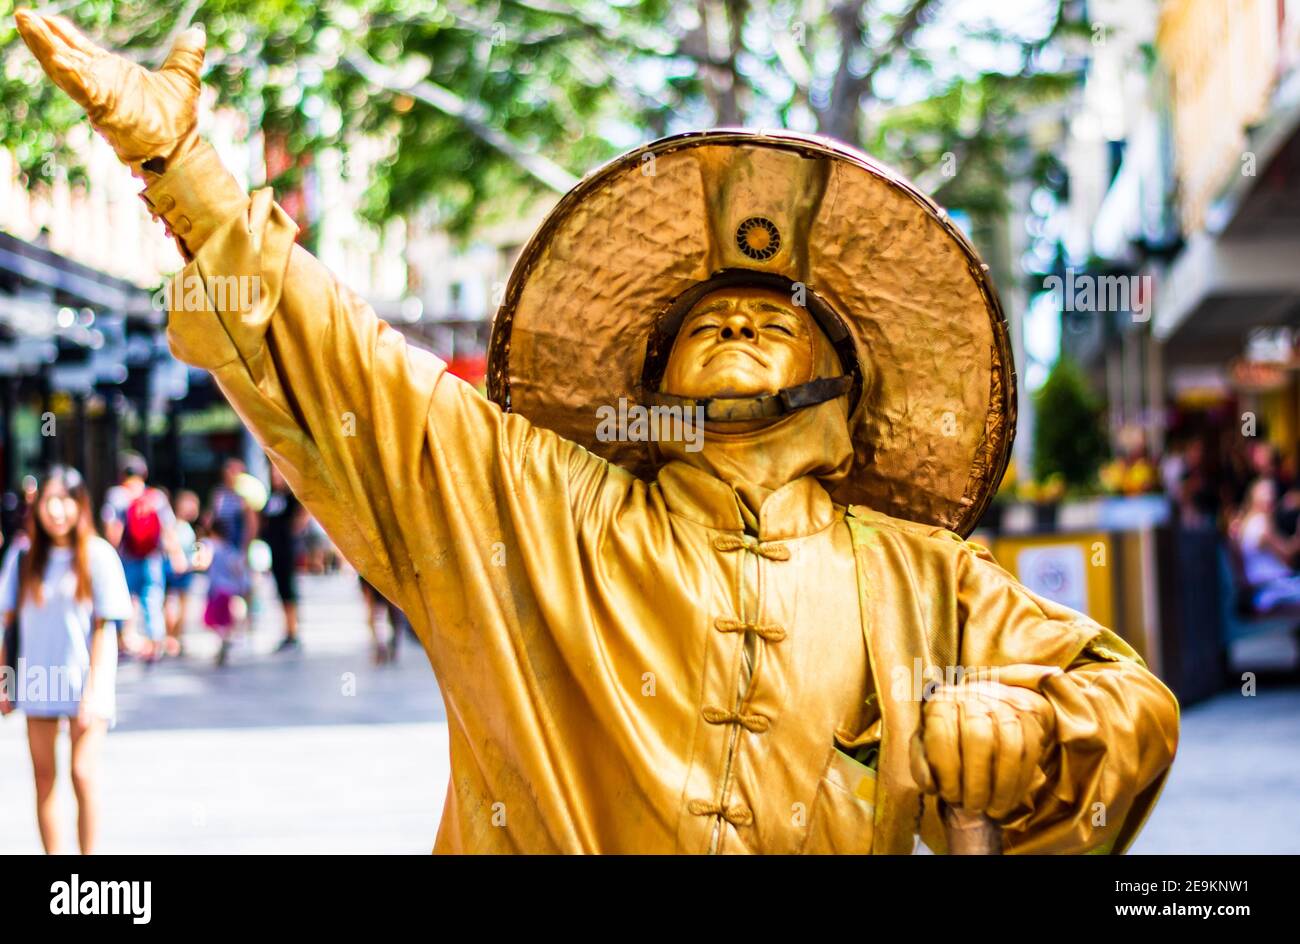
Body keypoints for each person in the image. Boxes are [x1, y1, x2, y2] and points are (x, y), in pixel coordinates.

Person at [18, 13, 1180, 855]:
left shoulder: (920, 578)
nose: (731, 315)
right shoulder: (538, 505)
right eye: (702, 318)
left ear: (841, 385)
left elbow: (1131, 701)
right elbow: (349, 361)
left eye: (772, 315)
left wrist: (1025, 724)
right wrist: (185, 168)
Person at [0, 466, 132, 854]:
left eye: (64, 500)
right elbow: (8, 627)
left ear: (80, 504)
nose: (56, 510)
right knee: (44, 779)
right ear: (37, 506)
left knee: (83, 773)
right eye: (48, 501)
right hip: (39, 678)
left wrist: (94, 691)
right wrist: (6, 683)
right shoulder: (23, 559)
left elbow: (104, 629)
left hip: (85, 681)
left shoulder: (97, 555)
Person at [101, 452, 182, 662]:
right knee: (152, 600)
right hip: (152, 558)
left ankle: (123, 642)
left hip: (126, 558)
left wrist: (110, 554)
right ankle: (155, 644)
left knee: (122, 600)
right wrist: (176, 555)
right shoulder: (156, 497)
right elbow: (168, 529)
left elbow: (114, 530)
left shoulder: (117, 496)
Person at [1231, 478, 1300, 611]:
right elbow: (1287, 553)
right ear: (1254, 497)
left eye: (1272, 493)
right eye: (1266, 494)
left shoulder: (1248, 521)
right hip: (1271, 588)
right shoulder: (1262, 524)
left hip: (1264, 587)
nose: (1271, 497)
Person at [261, 465, 307, 652]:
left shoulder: (292, 497)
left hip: (287, 549)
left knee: (289, 591)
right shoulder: (273, 497)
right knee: (280, 591)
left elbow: (303, 513)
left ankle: (293, 631)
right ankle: (287, 630)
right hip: (275, 550)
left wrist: (295, 530)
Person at [199, 518, 248, 667]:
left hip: (216, 589)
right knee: (225, 620)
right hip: (230, 590)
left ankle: (222, 640)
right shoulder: (231, 549)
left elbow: (202, 562)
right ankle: (225, 639)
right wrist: (243, 587)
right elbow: (239, 570)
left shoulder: (209, 545)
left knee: (212, 620)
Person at [163, 489, 202, 656]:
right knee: (174, 604)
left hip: (182, 568)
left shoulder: (181, 526)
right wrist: (178, 557)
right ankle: (172, 638)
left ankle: (174, 638)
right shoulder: (176, 526)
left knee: (177, 604)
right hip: (178, 568)